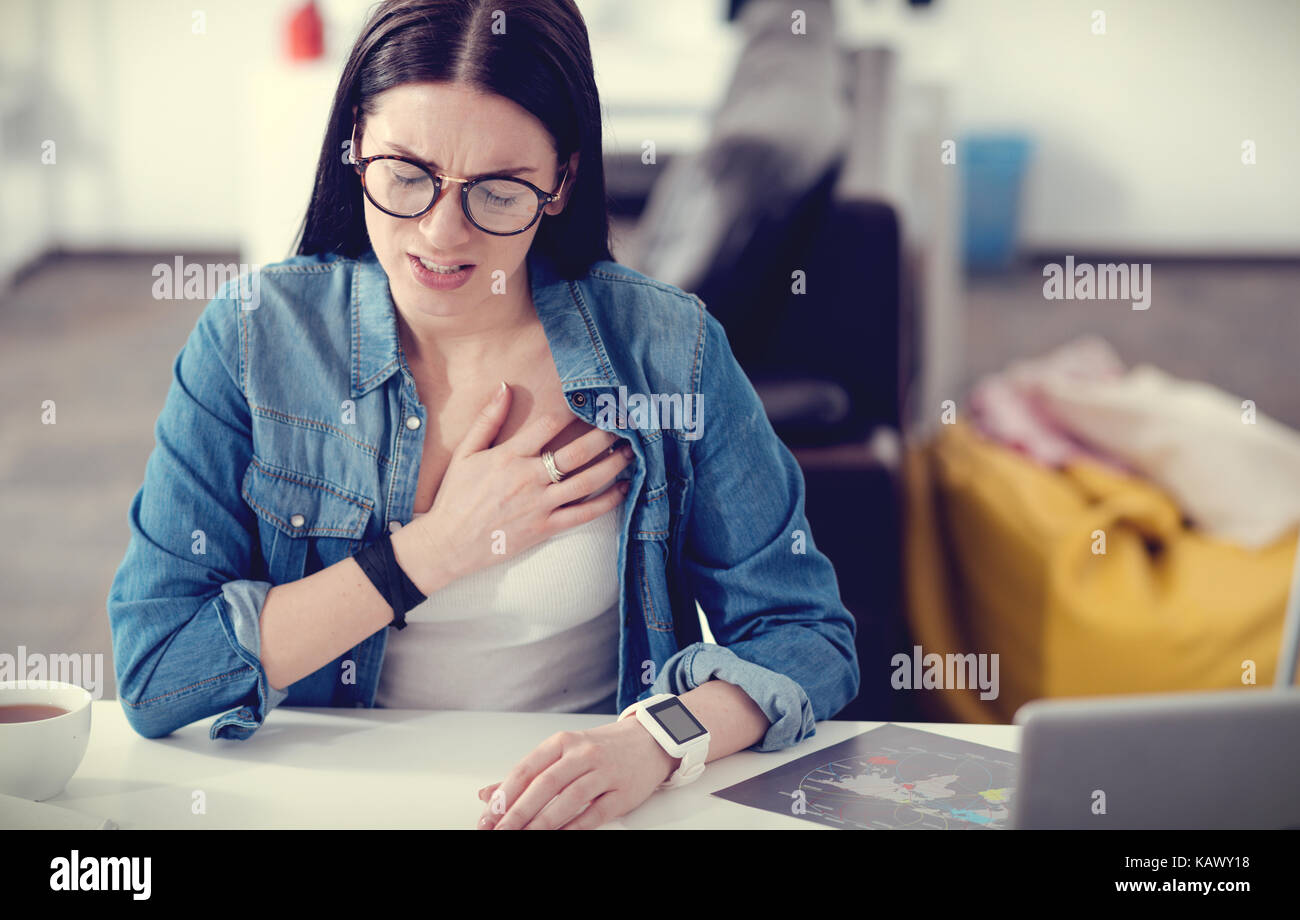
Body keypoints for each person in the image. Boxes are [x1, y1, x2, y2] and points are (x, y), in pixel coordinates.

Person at [107, 0, 858, 830]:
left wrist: (655, 742)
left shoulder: (666, 348)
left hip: (586, 814)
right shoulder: (253, 338)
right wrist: (431, 553)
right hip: (332, 804)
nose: (441, 233)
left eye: (498, 192)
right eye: (405, 175)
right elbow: (159, 669)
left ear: (561, 182)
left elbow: (804, 635)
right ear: (354, 142)